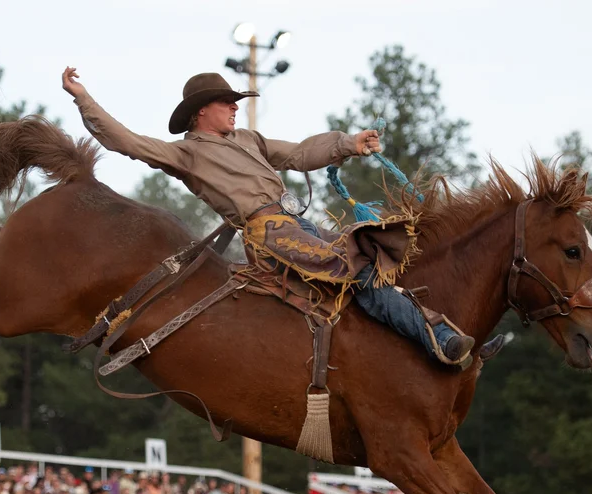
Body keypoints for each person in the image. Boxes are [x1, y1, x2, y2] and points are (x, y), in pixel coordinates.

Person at [62, 68, 475, 366]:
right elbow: (127, 141)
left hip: (299, 224)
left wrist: (348, 143)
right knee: (361, 267)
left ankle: (445, 339)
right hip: (269, 233)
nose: (234, 108)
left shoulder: (248, 139)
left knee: (381, 254)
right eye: (227, 102)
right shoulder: (186, 154)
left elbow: (297, 153)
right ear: (201, 112)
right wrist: (83, 98)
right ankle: (437, 339)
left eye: (234, 102)